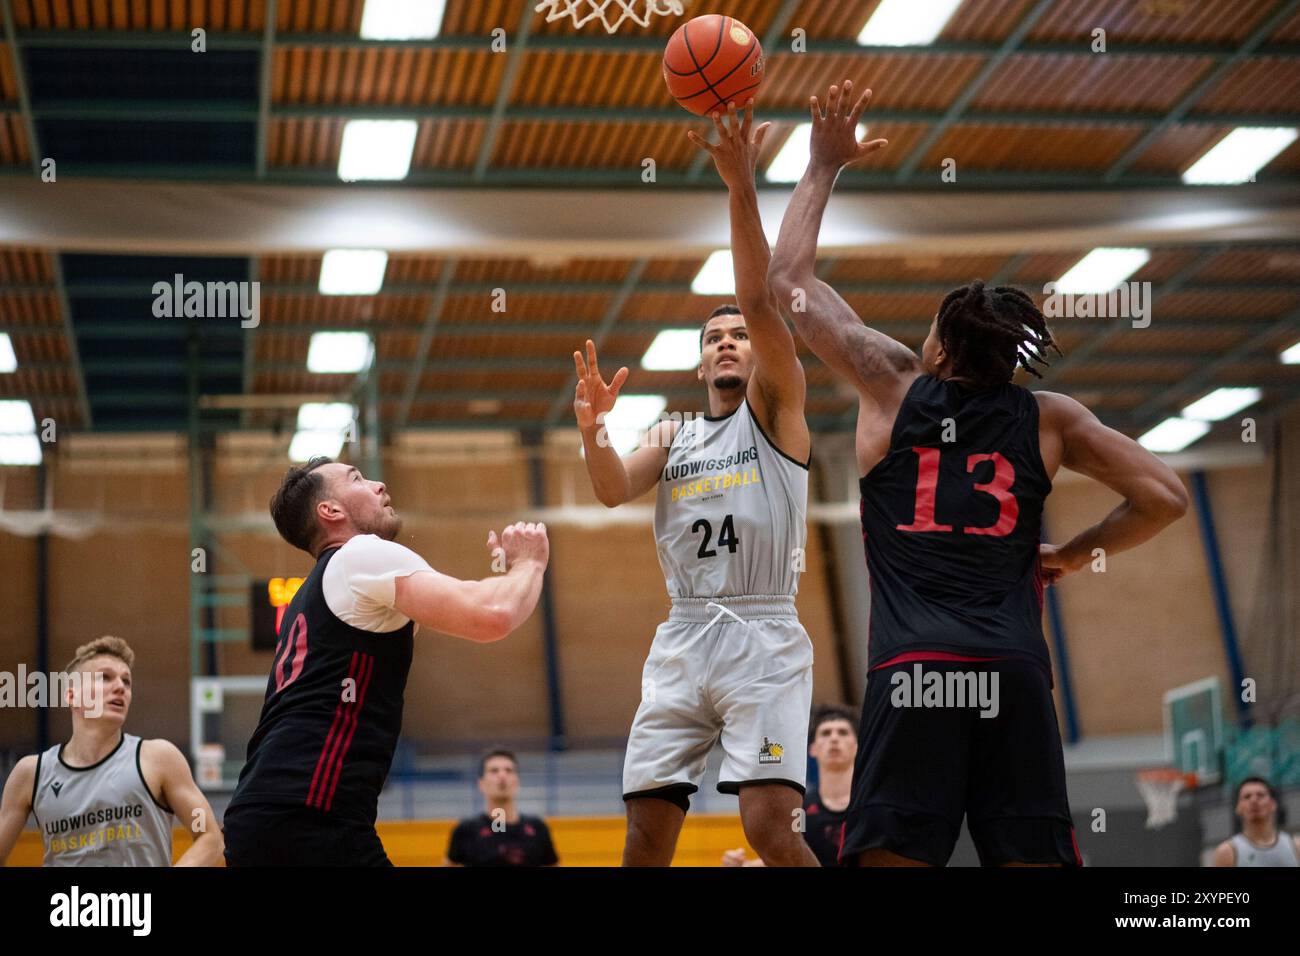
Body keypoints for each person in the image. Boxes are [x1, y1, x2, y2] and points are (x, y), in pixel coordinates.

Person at [768, 79, 1189, 867]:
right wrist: (1068, 552)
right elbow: (1164, 497)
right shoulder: (1052, 419)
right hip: (1014, 673)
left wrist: (823, 164)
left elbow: (788, 282)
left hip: (915, 669)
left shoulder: (893, 383)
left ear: (939, 351)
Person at [573, 102, 817, 866]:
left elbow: (758, 298)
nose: (727, 342)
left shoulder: (777, 414)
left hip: (764, 632)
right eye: (712, 339)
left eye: (737, 335)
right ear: (697, 363)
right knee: (646, 836)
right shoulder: (672, 433)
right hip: (682, 633)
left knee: (768, 829)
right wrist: (592, 433)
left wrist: (741, 186)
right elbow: (613, 489)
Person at [222, 457, 549, 866]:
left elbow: (464, 607)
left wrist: (504, 577)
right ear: (331, 511)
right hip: (309, 815)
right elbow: (493, 615)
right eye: (357, 478)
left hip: (270, 815)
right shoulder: (361, 555)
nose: (378, 484)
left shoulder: (317, 594)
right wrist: (529, 564)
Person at [0, 635, 223, 866]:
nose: (120, 687)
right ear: (71, 695)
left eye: (126, 681)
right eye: (105, 677)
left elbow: (208, 835)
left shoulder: (159, 758)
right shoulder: (31, 773)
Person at [723, 704, 857, 867]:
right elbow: (785, 856)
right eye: (826, 733)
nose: (834, 738)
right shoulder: (799, 808)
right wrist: (742, 865)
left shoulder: (869, 807)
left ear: (857, 747)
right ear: (812, 749)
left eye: (842, 732)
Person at [444, 749, 559, 867]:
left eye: (508, 771)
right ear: (481, 784)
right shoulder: (466, 830)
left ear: (517, 782)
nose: (502, 776)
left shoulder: (537, 828)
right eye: (494, 771)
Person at [1212, 776, 1299, 866]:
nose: (1254, 800)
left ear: (1273, 804)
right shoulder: (1227, 852)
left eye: (1260, 795)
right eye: (1247, 797)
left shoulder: (1296, 847)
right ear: (1238, 807)